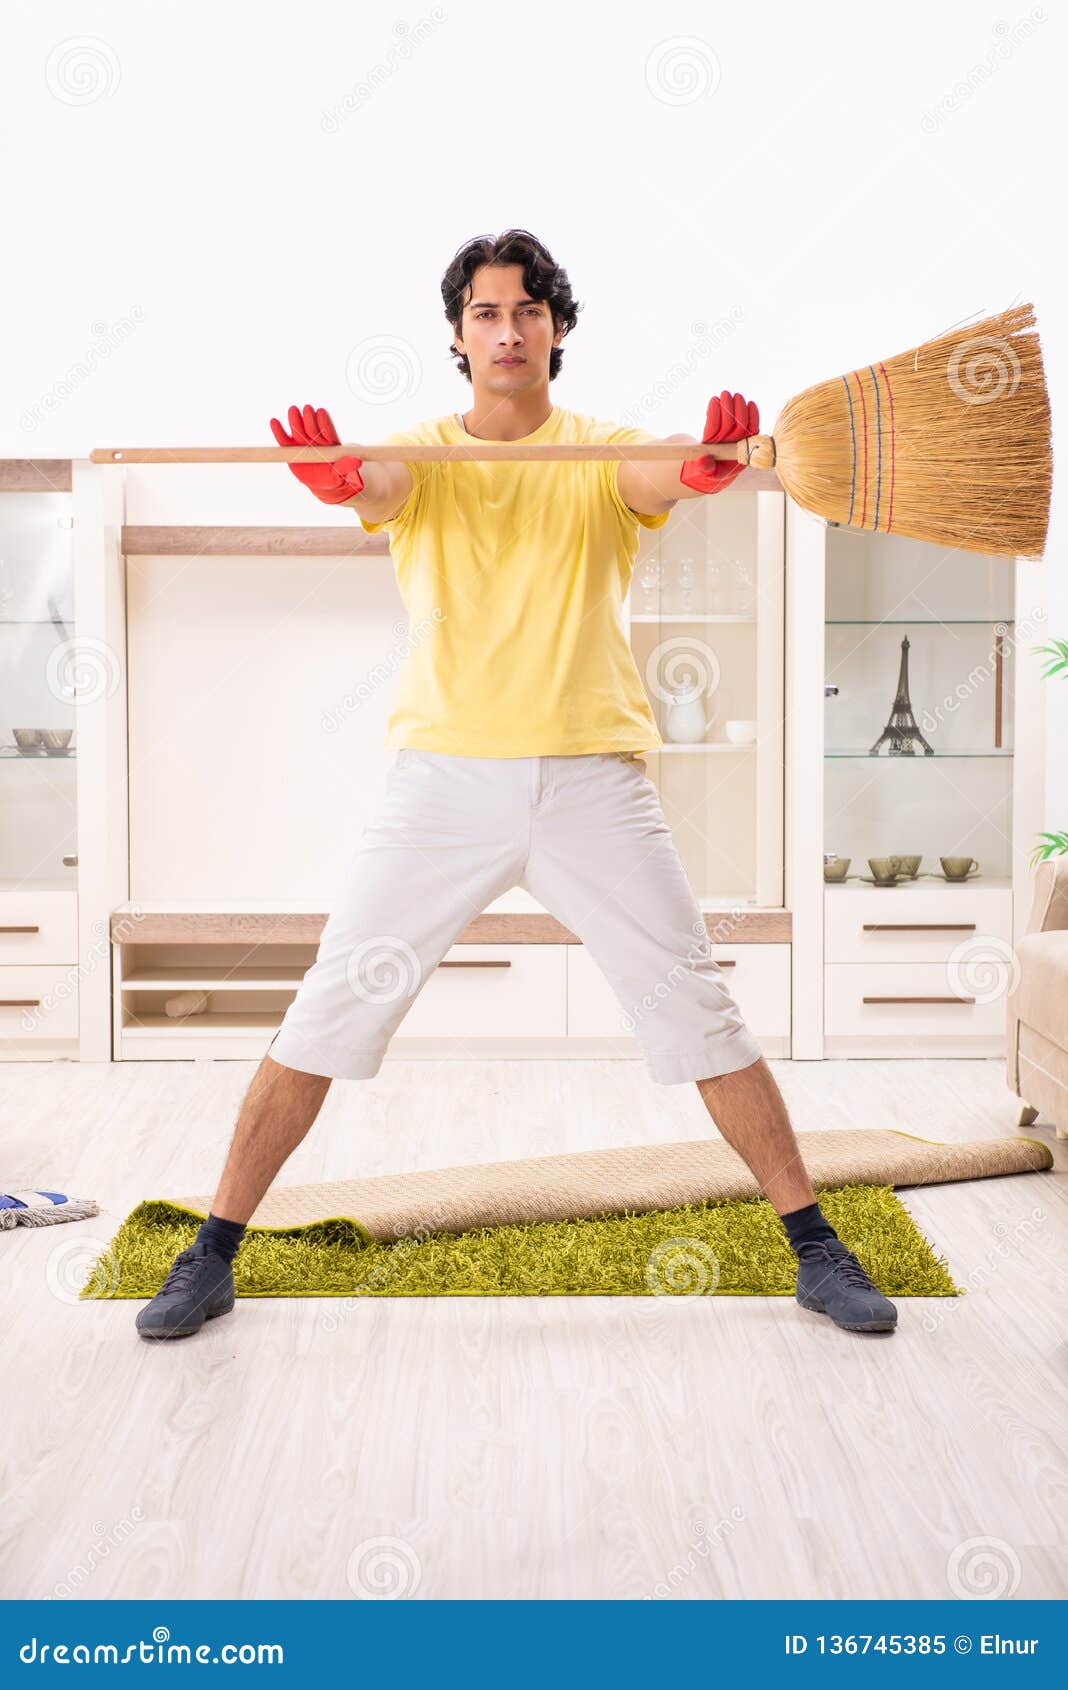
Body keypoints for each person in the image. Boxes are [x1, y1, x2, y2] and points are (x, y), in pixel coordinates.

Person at [136, 229, 896, 1340]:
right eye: (487, 311)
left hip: (594, 780)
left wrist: (704, 465)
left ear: (555, 329)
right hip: (443, 783)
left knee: (697, 1006)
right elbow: (380, 481)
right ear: (458, 335)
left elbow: (659, 473)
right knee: (330, 1004)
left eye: (528, 310)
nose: (507, 328)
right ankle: (211, 1255)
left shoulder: (599, 451)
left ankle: (816, 1249)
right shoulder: (423, 457)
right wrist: (343, 477)